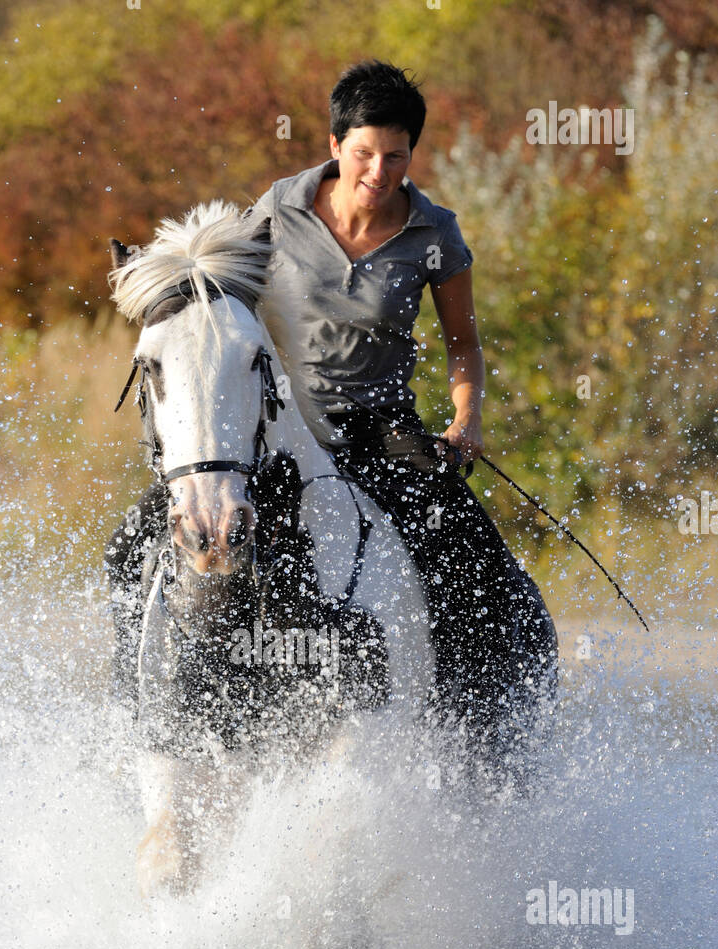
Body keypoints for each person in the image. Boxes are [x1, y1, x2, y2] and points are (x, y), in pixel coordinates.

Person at [106, 60, 556, 747]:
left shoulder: (434, 236)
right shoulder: (275, 212)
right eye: (363, 153)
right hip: (277, 426)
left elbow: (462, 345)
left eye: (396, 156)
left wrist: (466, 419)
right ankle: (133, 704)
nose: (378, 171)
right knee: (130, 541)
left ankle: (481, 721)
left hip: (377, 428)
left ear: (411, 153)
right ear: (334, 145)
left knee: (469, 553)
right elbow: (222, 311)